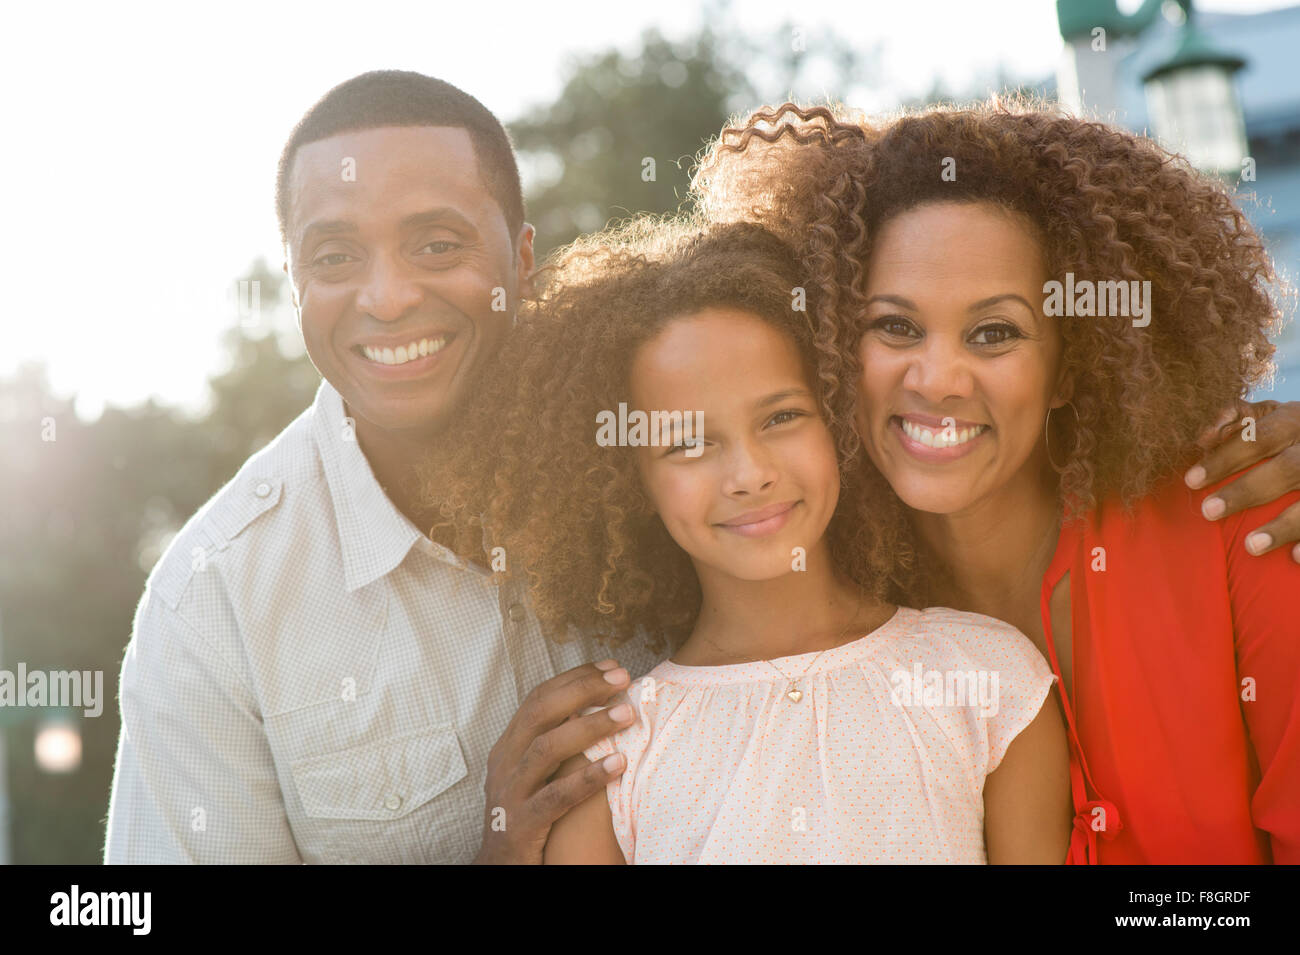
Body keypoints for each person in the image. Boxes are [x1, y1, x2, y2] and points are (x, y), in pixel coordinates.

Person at [693, 101, 1300, 863]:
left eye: (995, 333)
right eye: (895, 326)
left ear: (1070, 366)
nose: (939, 379)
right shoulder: (822, 605)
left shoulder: (1249, 520)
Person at [103, 71, 662, 864]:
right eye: (334, 256)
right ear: (295, 280)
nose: (389, 296)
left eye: (438, 243)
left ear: (523, 258)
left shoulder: (670, 455)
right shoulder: (211, 607)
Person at [422, 218, 1073, 864]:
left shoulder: (988, 679)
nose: (750, 473)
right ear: (630, 480)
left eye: (782, 416)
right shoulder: (613, 755)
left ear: (837, 422)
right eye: (688, 442)